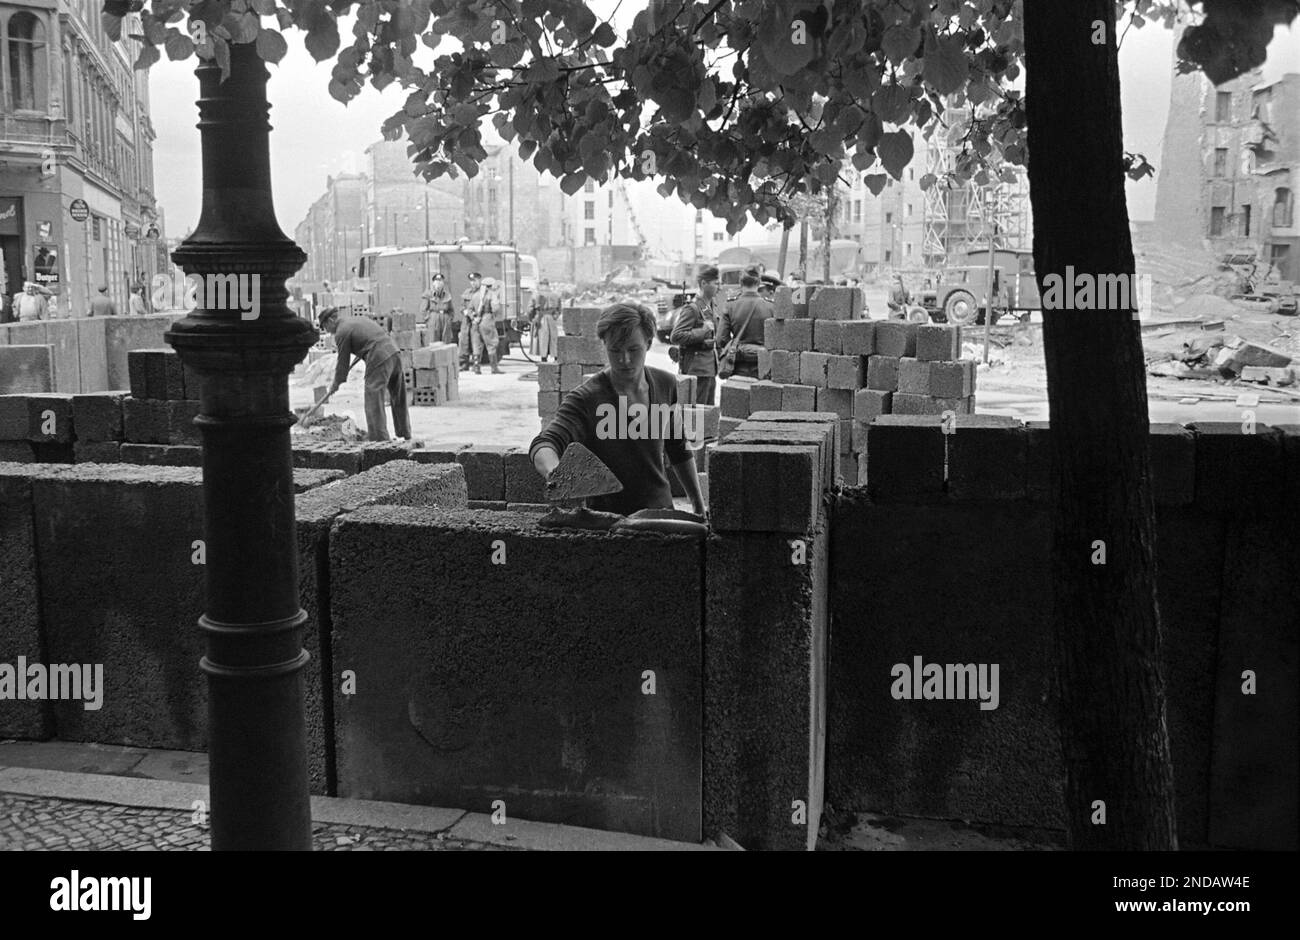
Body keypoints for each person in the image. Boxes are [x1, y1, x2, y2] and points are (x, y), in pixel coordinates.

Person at [530, 302, 705, 516]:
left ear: (648, 344)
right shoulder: (586, 398)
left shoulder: (665, 384)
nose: (624, 360)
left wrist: (697, 504)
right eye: (615, 350)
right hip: (608, 524)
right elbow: (545, 443)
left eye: (633, 349)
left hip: (660, 515)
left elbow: (678, 447)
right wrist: (556, 474)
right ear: (604, 345)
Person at [318, 306, 410, 442]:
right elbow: (371, 339)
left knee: (374, 399)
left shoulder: (341, 332)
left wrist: (335, 384)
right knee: (398, 396)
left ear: (331, 320)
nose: (327, 331)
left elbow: (342, 363)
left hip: (378, 357)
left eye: (325, 326)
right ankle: (405, 433)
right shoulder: (356, 321)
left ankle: (379, 441)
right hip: (394, 352)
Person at [669, 265, 722, 405]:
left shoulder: (712, 307)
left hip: (709, 369)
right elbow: (676, 335)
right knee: (696, 415)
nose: (719, 287)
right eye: (716, 283)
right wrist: (703, 332)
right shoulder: (692, 308)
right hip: (696, 369)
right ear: (704, 283)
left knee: (708, 413)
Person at [716, 269, 773, 380]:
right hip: (763, 365)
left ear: (741, 283)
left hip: (737, 365)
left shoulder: (730, 305)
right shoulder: (771, 307)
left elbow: (721, 339)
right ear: (758, 283)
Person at [471, 276, 503, 374]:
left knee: (477, 344)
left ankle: (476, 367)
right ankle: (494, 368)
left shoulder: (475, 295)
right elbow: (495, 309)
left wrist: (474, 317)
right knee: (492, 343)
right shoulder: (491, 295)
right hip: (487, 320)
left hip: (476, 322)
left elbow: (469, 309)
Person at [459, 271, 484, 371]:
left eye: (475, 281)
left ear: (479, 280)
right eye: (471, 281)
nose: (473, 283)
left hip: (476, 321)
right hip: (466, 321)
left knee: (476, 343)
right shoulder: (467, 292)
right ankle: (463, 364)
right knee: (463, 341)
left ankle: (476, 364)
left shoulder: (482, 293)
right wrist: (464, 311)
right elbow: (461, 306)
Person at [529, 278, 559, 362]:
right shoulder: (555, 295)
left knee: (542, 339)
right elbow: (559, 309)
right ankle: (556, 357)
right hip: (551, 317)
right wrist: (555, 317)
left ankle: (544, 358)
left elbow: (530, 309)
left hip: (540, 317)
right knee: (553, 338)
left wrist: (532, 319)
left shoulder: (536, 295)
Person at [423, 273, 455, 345]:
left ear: (443, 283)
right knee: (434, 341)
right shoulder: (428, 294)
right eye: (436, 280)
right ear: (433, 283)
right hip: (434, 318)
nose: (438, 283)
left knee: (446, 341)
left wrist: (449, 319)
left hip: (445, 319)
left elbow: (451, 310)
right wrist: (428, 320)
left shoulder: (447, 295)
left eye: (440, 281)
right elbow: (423, 309)